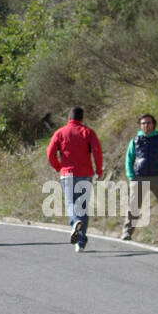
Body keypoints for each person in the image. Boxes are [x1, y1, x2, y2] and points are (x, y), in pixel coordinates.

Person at [46, 106, 103, 253]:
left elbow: (50, 152)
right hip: (85, 174)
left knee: (71, 204)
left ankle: (75, 223)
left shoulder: (60, 133)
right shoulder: (88, 132)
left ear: (69, 118)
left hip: (68, 174)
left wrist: (58, 167)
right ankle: (81, 242)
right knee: (82, 207)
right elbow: (97, 152)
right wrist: (99, 169)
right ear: (82, 118)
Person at [121, 114, 158, 240]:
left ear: (153, 124)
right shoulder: (135, 140)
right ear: (140, 125)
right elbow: (129, 158)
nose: (146, 126)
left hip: (157, 177)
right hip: (138, 177)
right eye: (143, 123)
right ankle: (127, 232)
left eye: (148, 123)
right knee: (133, 206)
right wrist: (130, 175)